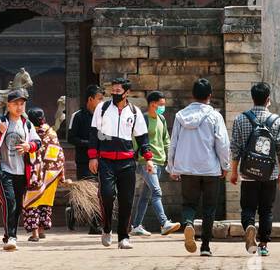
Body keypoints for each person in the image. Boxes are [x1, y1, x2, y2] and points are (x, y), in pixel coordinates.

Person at [168, 78, 230, 258]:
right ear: (210, 96)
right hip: (210, 168)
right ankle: (205, 246)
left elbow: (173, 144)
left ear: (192, 95)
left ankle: (188, 223)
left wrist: (172, 167)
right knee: (210, 208)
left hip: (187, 168)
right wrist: (225, 165)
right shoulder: (215, 116)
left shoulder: (181, 116)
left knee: (189, 203)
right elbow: (223, 144)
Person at [89, 77, 153, 249]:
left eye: (118, 91)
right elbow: (95, 134)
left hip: (127, 162)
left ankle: (123, 237)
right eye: (113, 91)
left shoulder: (134, 112)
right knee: (107, 194)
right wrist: (93, 156)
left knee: (126, 200)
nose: (115, 94)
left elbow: (142, 138)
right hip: (106, 161)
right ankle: (107, 228)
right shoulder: (102, 109)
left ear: (127, 93)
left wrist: (148, 159)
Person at [229, 82, 280, 257]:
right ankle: (263, 245)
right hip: (269, 173)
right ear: (268, 100)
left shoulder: (241, 119)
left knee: (248, 207)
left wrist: (234, 171)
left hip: (248, 173)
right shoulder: (276, 121)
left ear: (252, 98)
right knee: (266, 210)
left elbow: (235, 148)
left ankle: (249, 225)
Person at [0, 88, 39, 250]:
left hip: (22, 171)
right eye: (15, 104)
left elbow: (38, 143)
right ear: (8, 105)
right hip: (3, 169)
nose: (19, 107)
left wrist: (29, 146)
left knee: (17, 205)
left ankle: (9, 234)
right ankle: (12, 237)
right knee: (10, 201)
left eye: (22, 104)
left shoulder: (27, 124)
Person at [130, 91, 180, 238]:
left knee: (145, 196)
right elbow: (136, 140)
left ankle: (136, 226)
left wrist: (171, 158)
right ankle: (164, 223)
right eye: (161, 104)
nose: (163, 107)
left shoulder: (162, 119)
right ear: (153, 104)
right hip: (146, 162)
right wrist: (140, 157)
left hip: (159, 161)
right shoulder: (143, 119)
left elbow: (166, 139)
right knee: (157, 192)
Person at [21, 107, 65, 241]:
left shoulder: (28, 133)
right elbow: (59, 154)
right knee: (45, 203)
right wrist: (61, 174)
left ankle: (34, 234)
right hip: (51, 175)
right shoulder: (52, 132)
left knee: (31, 202)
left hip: (34, 174)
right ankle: (41, 231)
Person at [66, 83, 104, 234]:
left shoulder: (103, 116)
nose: (102, 102)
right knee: (89, 192)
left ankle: (73, 210)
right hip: (84, 161)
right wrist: (90, 144)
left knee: (100, 191)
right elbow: (71, 138)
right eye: (99, 99)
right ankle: (95, 225)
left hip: (102, 160)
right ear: (90, 99)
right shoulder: (77, 116)